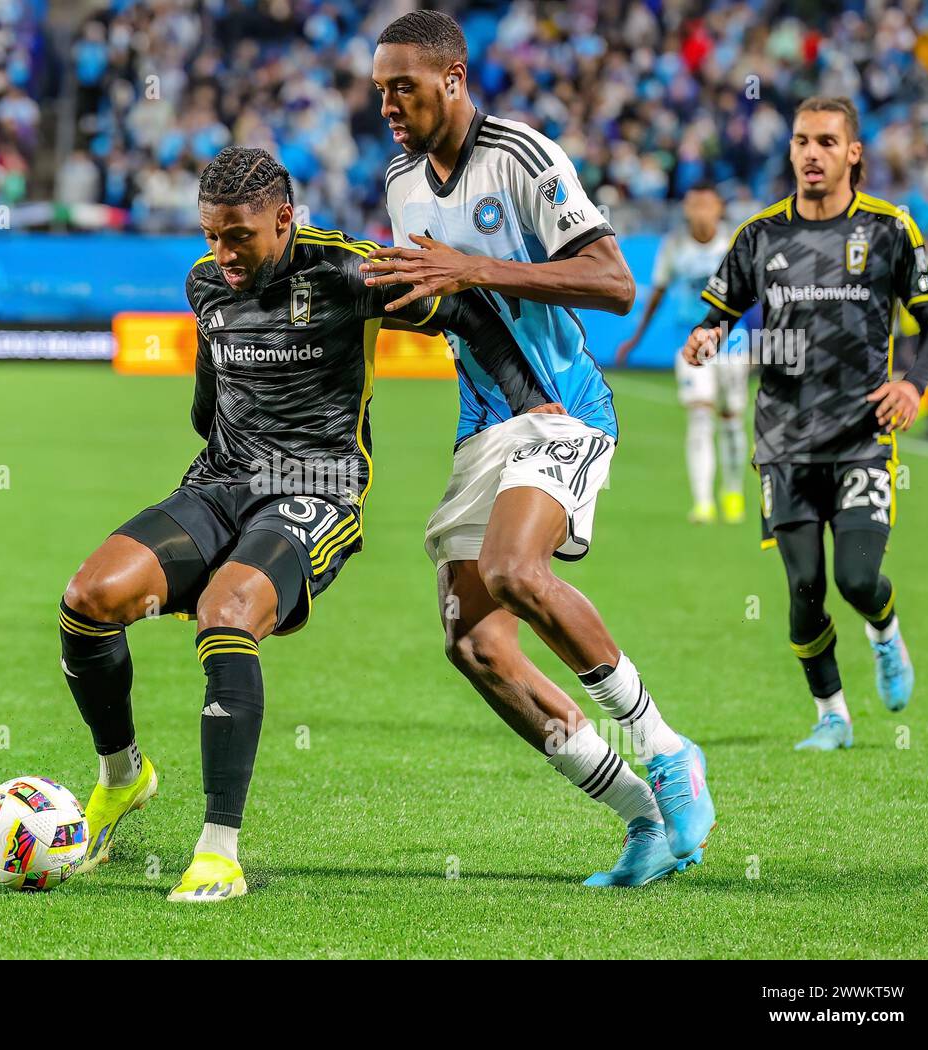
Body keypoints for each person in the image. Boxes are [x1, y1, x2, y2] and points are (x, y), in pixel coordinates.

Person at [59, 145, 555, 901]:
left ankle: (219, 849)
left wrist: (530, 405)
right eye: (210, 235)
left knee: (226, 615)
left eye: (239, 237)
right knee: (87, 600)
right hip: (222, 480)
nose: (221, 254)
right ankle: (122, 776)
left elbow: (462, 309)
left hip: (318, 487)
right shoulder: (205, 283)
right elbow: (208, 398)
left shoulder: (347, 272)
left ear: (285, 219)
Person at [364, 10, 714, 887]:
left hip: (561, 410)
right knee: (476, 644)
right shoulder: (401, 181)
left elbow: (613, 280)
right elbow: (442, 297)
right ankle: (641, 819)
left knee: (519, 571)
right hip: (481, 426)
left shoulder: (521, 156)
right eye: (378, 91)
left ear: (452, 77)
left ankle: (667, 750)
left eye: (402, 87)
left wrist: (471, 269)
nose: (388, 107)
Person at [684, 97, 928, 749]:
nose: (811, 152)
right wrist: (706, 336)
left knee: (857, 579)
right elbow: (720, 311)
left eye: (827, 142)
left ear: (853, 154)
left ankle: (885, 634)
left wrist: (912, 385)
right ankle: (832, 715)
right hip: (784, 440)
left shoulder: (890, 229)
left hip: (861, 437)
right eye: (802, 140)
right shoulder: (761, 234)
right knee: (804, 587)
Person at [616, 183, 749, 523]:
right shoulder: (674, 245)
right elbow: (658, 292)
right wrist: (636, 339)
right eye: (693, 204)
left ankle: (732, 490)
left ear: (719, 208)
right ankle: (703, 500)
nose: (699, 211)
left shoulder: (735, 242)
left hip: (732, 344)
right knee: (700, 416)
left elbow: (753, 292)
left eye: (705, 204)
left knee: (731, 419)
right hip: (691, 345)